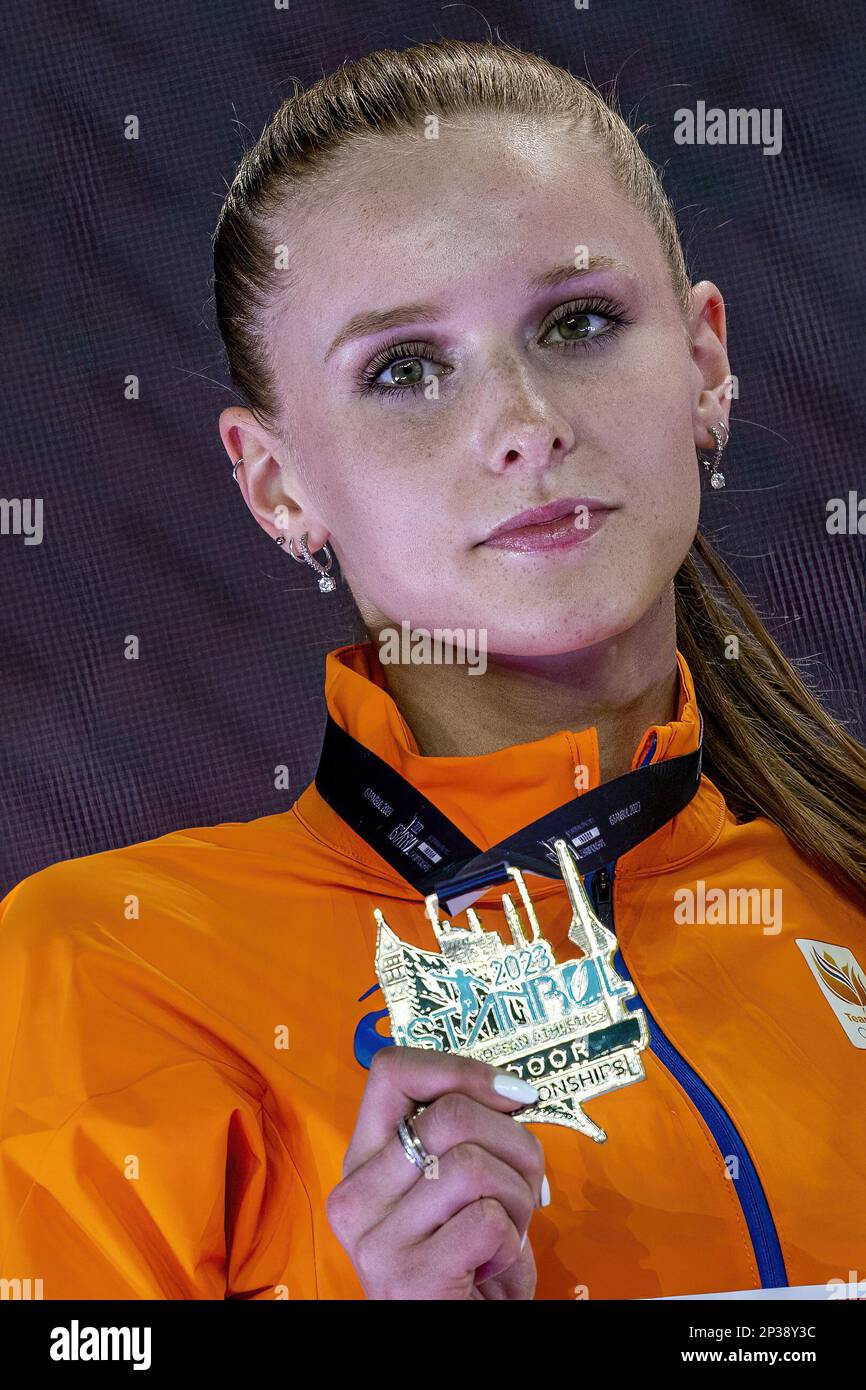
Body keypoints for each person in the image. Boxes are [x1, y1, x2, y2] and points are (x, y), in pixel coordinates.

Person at [1, 38, 865, 1303]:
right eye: (403, 370)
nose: (524, 427)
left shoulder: (837, 877)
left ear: (703, 364)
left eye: (578, 324)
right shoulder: (106, 970)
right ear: (275, 481)